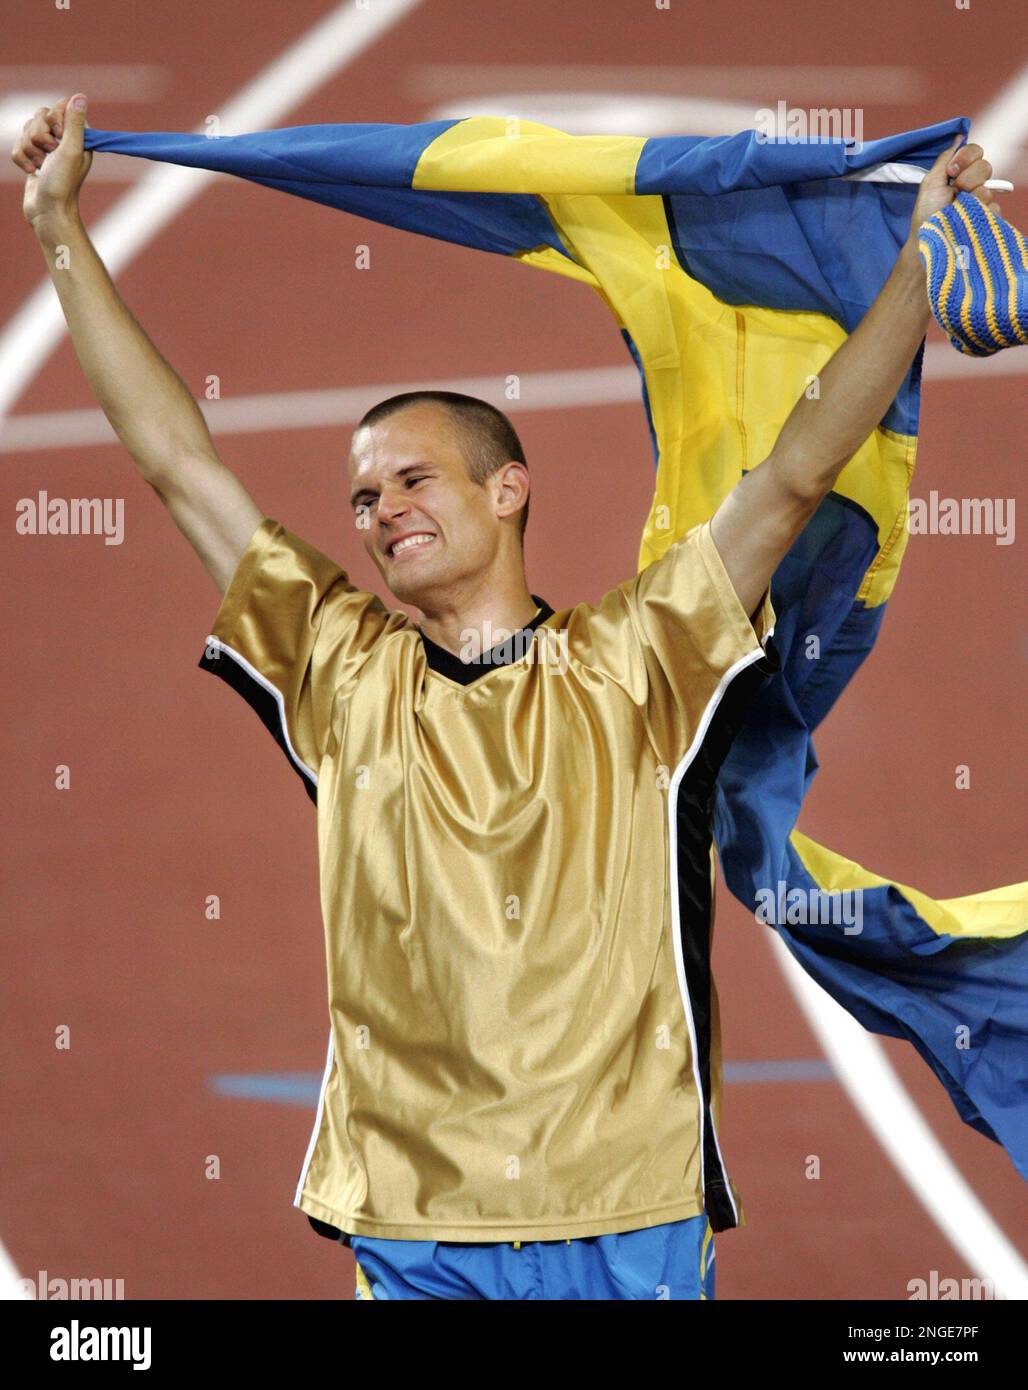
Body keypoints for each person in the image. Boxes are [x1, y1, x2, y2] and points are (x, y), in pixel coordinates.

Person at [13, 93, 1000, 1302]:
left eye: (413, 478)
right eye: (364, 499)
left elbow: (794, 473)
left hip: (627, 1211)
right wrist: (60, 228)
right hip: (418, 1220)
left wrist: (909, 277)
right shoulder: (341, 671)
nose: (380, 513)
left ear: (509, 491)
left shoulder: (643, 661)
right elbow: (177, 463)